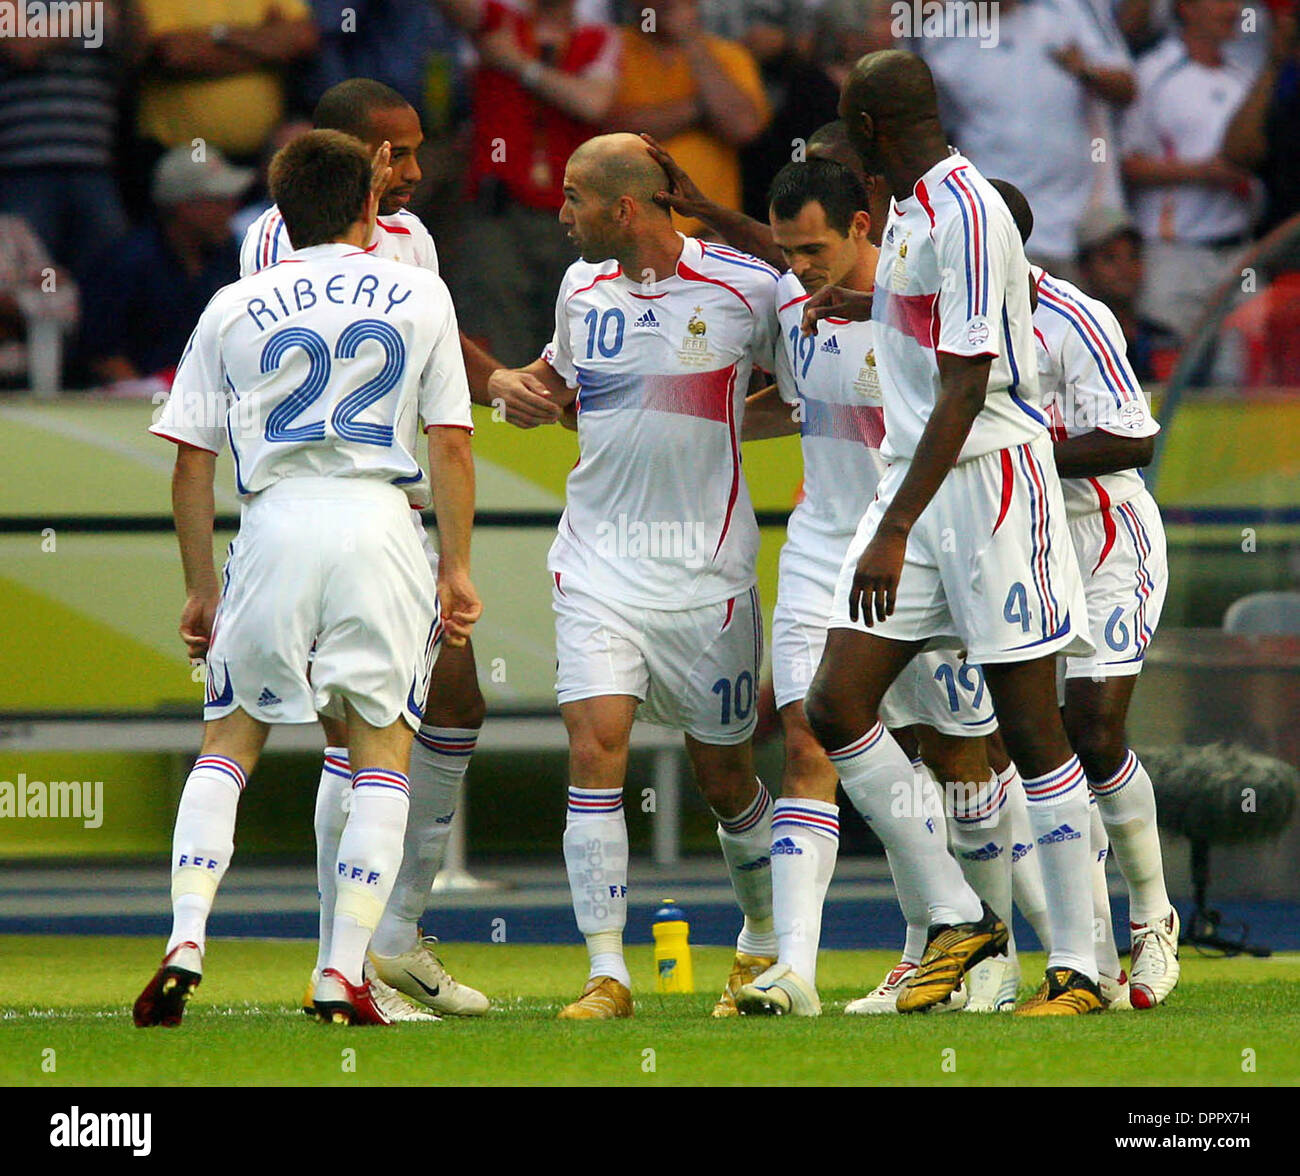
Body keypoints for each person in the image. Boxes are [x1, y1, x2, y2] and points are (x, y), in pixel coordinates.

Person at [134, 128, 480, 1027]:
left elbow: (190, 461)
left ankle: (185, 938)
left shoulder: (232, 304)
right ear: (371, 203)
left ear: (279, 214)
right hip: (376, 523)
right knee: (377, 753)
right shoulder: (419, 293)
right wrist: (457, 565)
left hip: (276, 521)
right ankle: (341, 971)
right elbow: (450, 439)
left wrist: (201, 586)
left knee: (228, 744)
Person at [802, 49, 1103, 1015]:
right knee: (836, 703)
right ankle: (959, 917)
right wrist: (866, 303)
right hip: (917, 485)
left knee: (1029, 725)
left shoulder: (968, 211)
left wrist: (893, 529)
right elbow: (928, 329)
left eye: (853, 132)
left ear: (879, 130)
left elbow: (969, 386)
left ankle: (1084, 968)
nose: (849, 153)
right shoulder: (911, 213)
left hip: (987, 486)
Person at [490, 133, 781, 1020]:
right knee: (594, 751)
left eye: (575, 196)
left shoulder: (748, 289)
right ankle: (607, 972)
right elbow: (557, 380)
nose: (561, 210)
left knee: (725, 775)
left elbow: (809, 395)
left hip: (708, 572)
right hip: (597, 564)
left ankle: (763, 941)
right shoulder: (582, 287)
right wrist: (514, 384)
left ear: (624, 208)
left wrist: (720, 417)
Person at [729, 159, 1019, 1018]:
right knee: (809, 732)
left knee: (957, 754)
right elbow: (786, 388)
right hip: (826, 544)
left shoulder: (923, 308)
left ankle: (987, 946)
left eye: (812, 247)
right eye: (786, 250)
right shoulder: (791, 299)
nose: (798, 267)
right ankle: (798, 970)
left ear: (866, 228)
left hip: (925, 543)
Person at [239, 78, 496, 1017]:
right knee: (351, 728)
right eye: (399, 154)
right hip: (315, 510)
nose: (418, 170)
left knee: (453, 696)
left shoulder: (413, 241)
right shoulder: (277, 241)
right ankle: (341, 954)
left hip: (396, 510)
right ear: (349, 157)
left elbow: (427, 339)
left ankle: (390, 933)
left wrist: (494, 374)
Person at [992, 178, 1180, 1010]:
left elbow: (1137, 435)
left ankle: (1153, 920)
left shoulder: (1072, 317)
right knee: (1027, 744)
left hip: (1105, 542)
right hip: (1016, 548)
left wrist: (1021, 455)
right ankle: (1085, 956)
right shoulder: (938, 319)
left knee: (1094, 727)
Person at [435, 0, 621, 368]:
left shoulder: (599, 37)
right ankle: (498, 416)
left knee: (570, 328)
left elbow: (594, 103)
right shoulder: (498, 20)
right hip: (500, 211)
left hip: (571, 214)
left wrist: (518, 65)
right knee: (495, 329)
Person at [911, 0, 1135, 278]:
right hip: (997, 220)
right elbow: (931, 124)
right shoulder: (940, 33)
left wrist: (1085, 70)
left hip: (1080, 221)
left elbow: (1126, 87)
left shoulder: (1071, 8)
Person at [1121, 0, 1261, 340]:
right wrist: (1202, 173)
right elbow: (1128, 164)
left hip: (1238, 249)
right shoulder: (1152, 72)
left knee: (1241, 380)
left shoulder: (1245, 77)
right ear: (1186, 7)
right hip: (1173, 253)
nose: (1231, 10)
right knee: (1170, 371)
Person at [81, 146, 252, 386]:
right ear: (184, 206)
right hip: (138, 404)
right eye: (218, 201)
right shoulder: (126, 263)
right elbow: (103, 355)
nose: (231, 209)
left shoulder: (230, 257)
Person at [608, 0, 769, 237]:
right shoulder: (612, 45)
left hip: (710, 236)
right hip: (627, 231)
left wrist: (690, 40)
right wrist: (703, 108)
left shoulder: (728, 55)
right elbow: (612, 129)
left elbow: (742, 126)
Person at [1074, 205, 1181, 383]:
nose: (1125, 268)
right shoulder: (1071, 341)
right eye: (1110, 258)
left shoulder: (1162, 339)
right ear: (1084, 268)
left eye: (1133, 256)